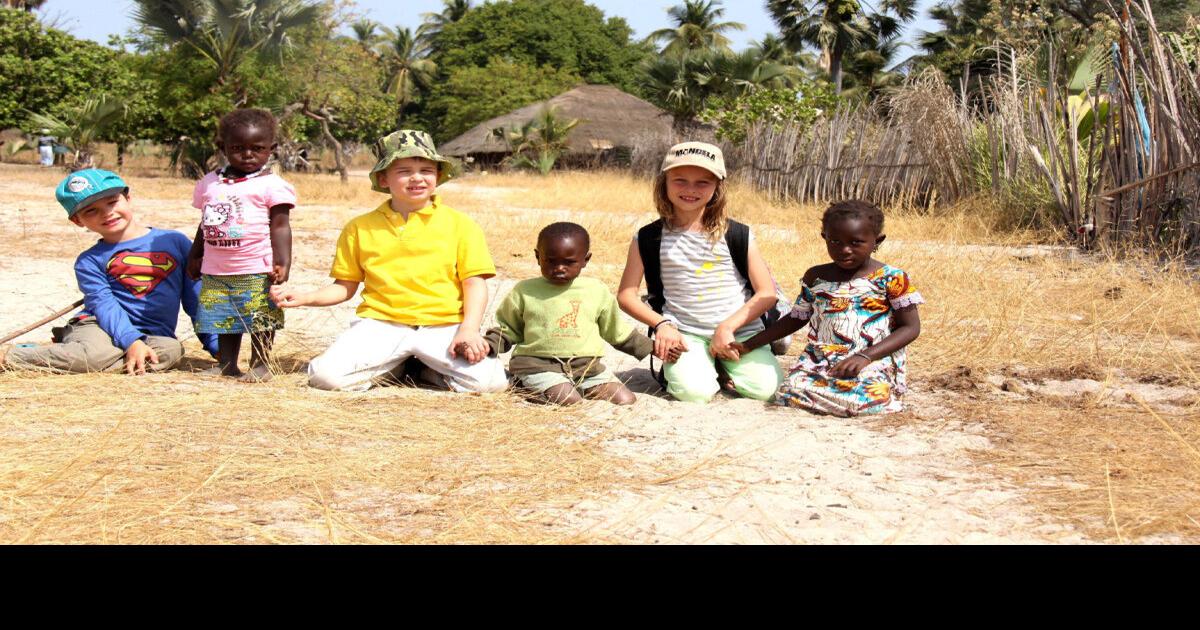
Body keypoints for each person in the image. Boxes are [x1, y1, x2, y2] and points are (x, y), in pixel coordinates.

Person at [270, 129, 507, 394]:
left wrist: (469, 330)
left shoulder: (462, 226)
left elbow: (474, 284)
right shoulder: (359, 228)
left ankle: (427, 370)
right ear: (383, 178)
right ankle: (395, 367)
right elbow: (344, 287)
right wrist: (305, 297)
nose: (417, 178)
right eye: (404, 171)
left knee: (492, 383)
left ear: (438, 176)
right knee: (326, 378)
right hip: (381, 325)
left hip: (444, 327)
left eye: (426, 170)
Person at [0, 169, 217, 374]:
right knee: (94, 355)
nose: (107, 213)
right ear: (77, 220)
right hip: (99, 327)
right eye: (91, 211)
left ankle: (70, 354)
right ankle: (13, 357)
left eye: (112, 202)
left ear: (128, 198)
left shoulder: (174, 242)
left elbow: (196, 298)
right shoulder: (89, 261)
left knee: (171, 350)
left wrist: (217, 345)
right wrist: (131, 341)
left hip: (152, 335)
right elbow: (104, 305)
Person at [616, 142, 783, 404]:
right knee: (693, 393)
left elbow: (767, 293)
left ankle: (720, 363)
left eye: (702, 182)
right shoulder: (648, 238)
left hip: (738, 332)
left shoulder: (738, 234)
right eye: (680, 180)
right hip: (684, 334)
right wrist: (662, 325)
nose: (690, 190)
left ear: (717, 187)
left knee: (766, 389)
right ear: (664, 183)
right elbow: (626, 295)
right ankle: (703, 365)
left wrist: (727, 327)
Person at [732, 200, 924, 417]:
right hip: (822, 358)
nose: (844, 250)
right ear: (824, 237)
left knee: (873, 397)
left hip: (873, 358)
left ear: (877, 241)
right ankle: (830, 398)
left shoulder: (892, 278)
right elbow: (796, 318)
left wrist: (865, 356)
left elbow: (910, 328)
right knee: (791, 390)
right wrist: (750, 344)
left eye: (856, 242)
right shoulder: (816, 277)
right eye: (835, 241)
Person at [486, 222, 660, 406]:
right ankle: (522, 382)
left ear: (586, 259)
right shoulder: (524, 291)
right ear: (538, 256)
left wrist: (651, 347)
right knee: (569, 399)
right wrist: (488, 345)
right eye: (551, 260)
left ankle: (576, 386)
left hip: (587, 369)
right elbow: (508, 328)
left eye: (569, 262)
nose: (559, 268)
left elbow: (616, 331)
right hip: (539, 366)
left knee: (625, 399)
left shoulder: (596, 290)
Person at [187, 108, 295, 383]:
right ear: (221, 147)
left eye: (257, 148)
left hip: (256, 266)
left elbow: (280, 226)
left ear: (272, 149)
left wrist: (282, 263)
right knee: (224, 317)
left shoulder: (272, 185)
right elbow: (205, 222)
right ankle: (227, 364)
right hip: (217, 268)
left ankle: (260, 364)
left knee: (261, 318)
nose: (248, 154)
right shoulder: (209, 183)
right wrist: (195, 254)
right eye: (238, 148)